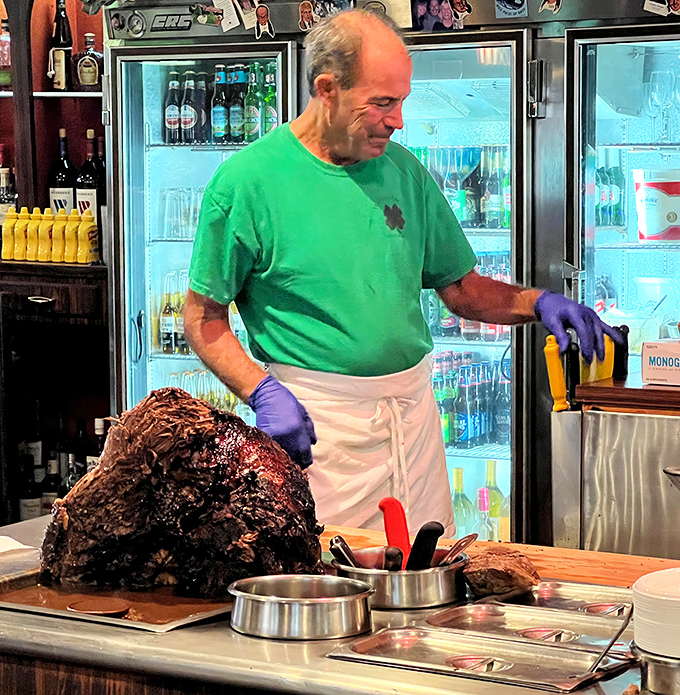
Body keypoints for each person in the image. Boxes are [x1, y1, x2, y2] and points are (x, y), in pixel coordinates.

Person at [185, 10, 620, 536]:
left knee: (429, 577)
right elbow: (203, 319)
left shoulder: (405, 171)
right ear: (327, 89)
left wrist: (539, 303)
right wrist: (261, 391)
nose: (397, 120)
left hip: (412, 418)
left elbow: (459, 289)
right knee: (333, 588)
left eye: (402, 102)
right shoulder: (246, 183)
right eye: (382, 103)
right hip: (319, 428)